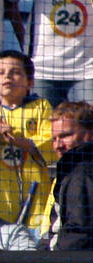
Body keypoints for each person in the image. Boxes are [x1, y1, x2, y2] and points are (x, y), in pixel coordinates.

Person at [0, 51, 55, 232]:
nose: (7, 76)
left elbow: (50, 143)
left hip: (35, 197)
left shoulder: (41, 106)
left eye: (15, 72)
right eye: (0, 72)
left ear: (30, 82)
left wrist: (18, 141)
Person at [47, 100, 93, 249]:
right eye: (54, 139)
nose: (57, 145)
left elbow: (78, 234)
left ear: (90, 134)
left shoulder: (82, 174)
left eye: (66, 135)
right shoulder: (69, 171)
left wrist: (50, 260)